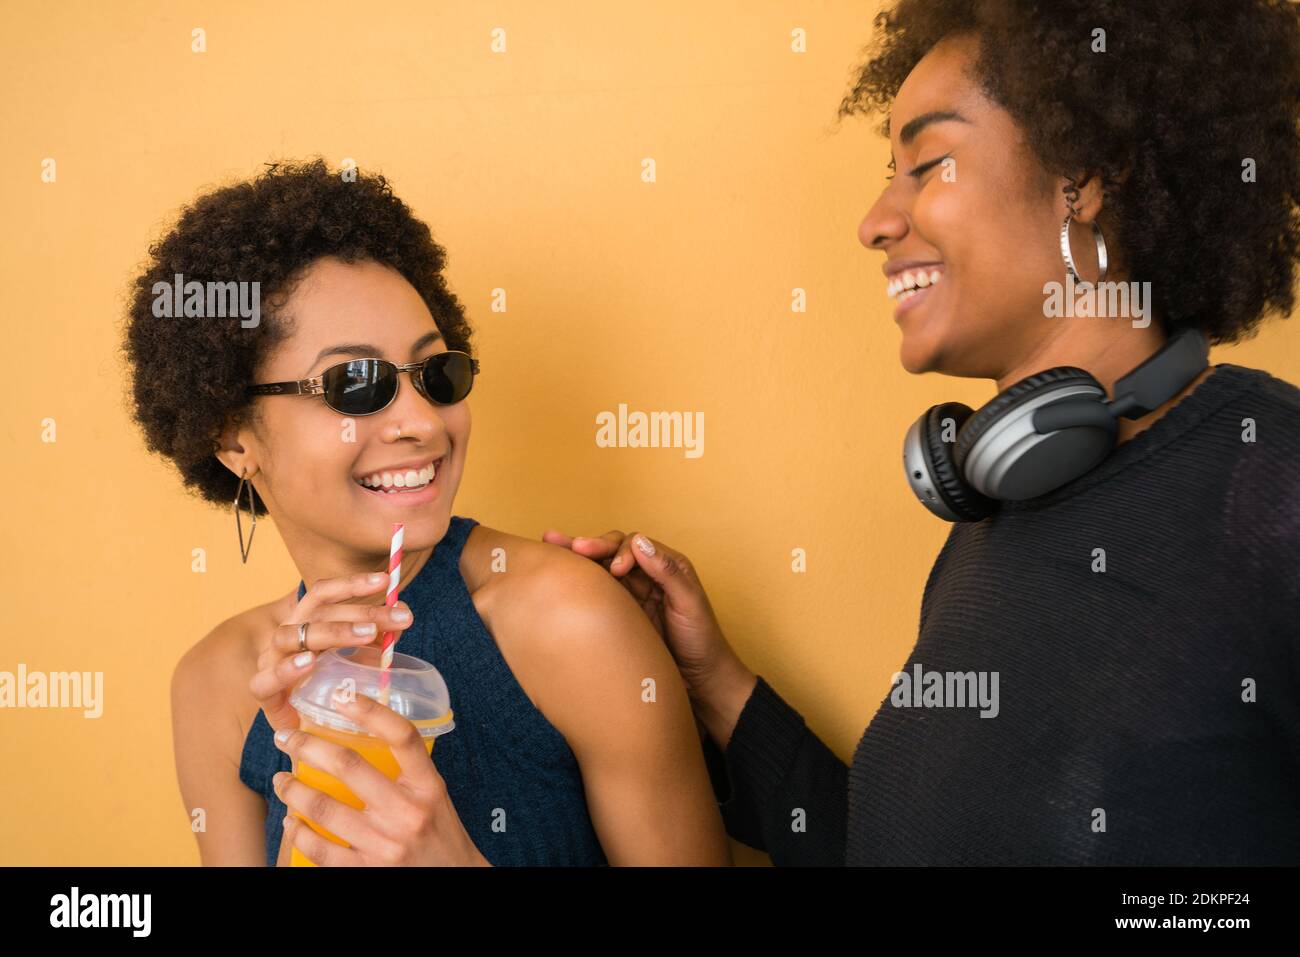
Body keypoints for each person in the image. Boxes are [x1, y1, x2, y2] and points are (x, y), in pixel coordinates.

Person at [546, 0, 1300, 865]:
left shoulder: (1271, 483)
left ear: (1083, 178)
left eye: (927, 165)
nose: (875, 221)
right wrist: (712, 680)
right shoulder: (992, 517)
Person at [125, 159, 729, 866]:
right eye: (356, 383)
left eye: (436, 372)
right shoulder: (216, 683)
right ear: (232, 437)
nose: (422, 421)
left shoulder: (568, 620)